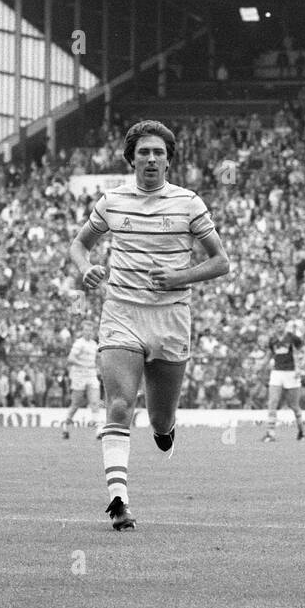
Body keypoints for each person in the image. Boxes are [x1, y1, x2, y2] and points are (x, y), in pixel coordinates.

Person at [69, 119, 229, 531]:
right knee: (120, 404)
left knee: (159, 419)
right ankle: (118, 500)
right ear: (132, 158)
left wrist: (179, 277)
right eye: (144, 152)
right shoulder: (112, 202)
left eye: (159, 152)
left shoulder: (189, 204)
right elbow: (79, 244)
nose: (152, 158)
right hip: (121, 312)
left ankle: (165, 429)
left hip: (171, 317)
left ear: (169, 160)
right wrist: (85, 268)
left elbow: (220, 261)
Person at [261, 316, 305, 442]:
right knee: (272, 402)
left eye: (281, 322)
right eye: (276, 323)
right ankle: (271, 433)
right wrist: (259, 366)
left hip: (291, 373)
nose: (279, 325)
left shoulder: (293, 338)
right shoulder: (272, 340)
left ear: (285, 324)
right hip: (277, 372)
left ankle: (301, 431)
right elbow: (268, 356)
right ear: (274, 325)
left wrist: (301, 367)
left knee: (294, 405)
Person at [62, 318, 101, 440]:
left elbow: (98, 359)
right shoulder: (79, 343)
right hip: (79, 376)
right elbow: (70, 359)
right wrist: (84, 365)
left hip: (91, 376)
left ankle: (98, 430)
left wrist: (98, 368)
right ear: (83, 331)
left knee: (95, 402)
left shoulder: (94, 344)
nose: (88, 332)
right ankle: (65, 425)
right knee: (76, 404)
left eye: (90, 330)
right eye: (86, 330)